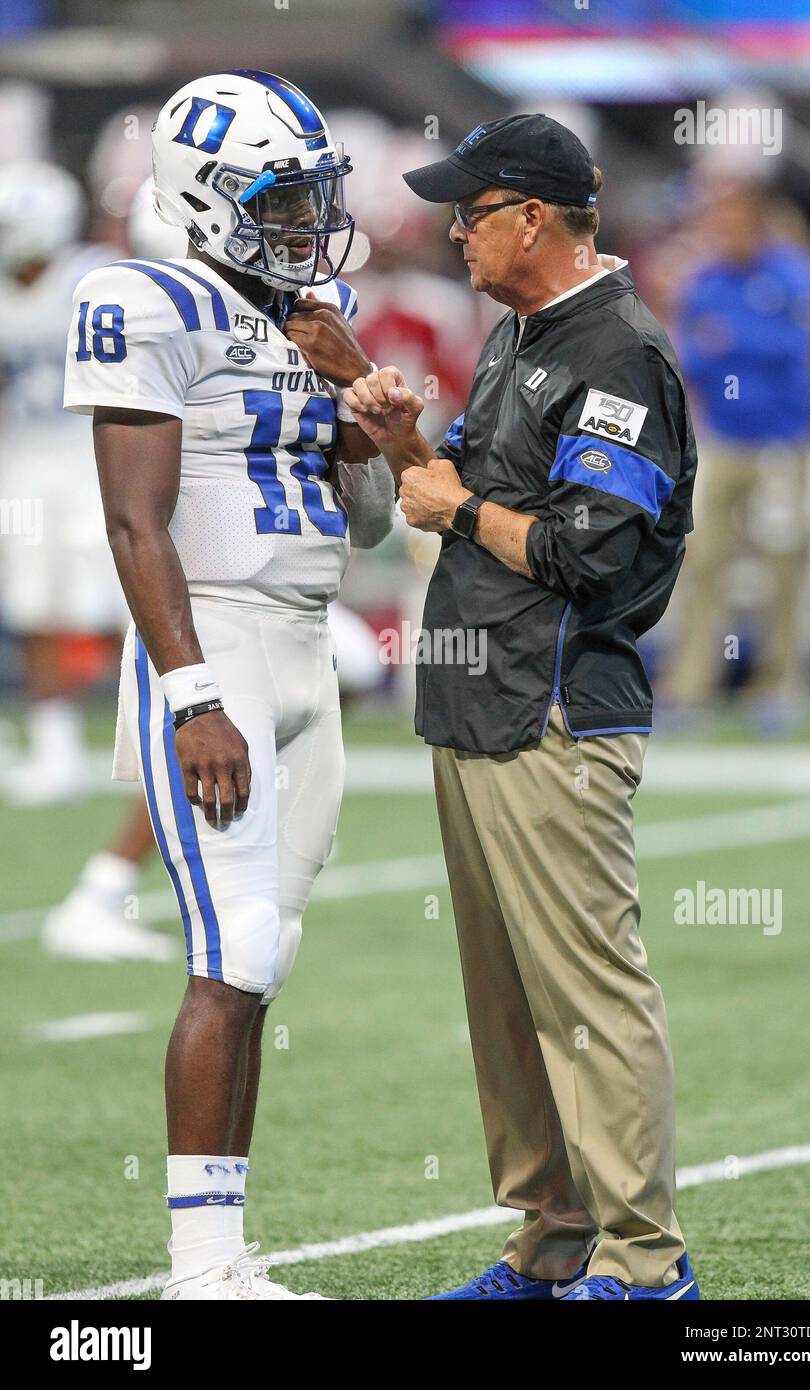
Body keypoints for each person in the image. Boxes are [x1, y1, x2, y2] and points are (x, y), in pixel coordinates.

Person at [344, 114, 700, 1301]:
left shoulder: (615, 351)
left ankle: (645, 1269)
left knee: (587, 997)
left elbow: (592, 554)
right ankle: (553, 1247)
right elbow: (478, 496)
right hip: (477, 703)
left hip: (553, 711)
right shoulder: (523, 336)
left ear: (530, 218)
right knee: (507, 1010)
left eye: (471, 212)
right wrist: (406, 446)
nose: (454, 233)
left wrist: (444, 506)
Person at [63, 70, 394, 1301]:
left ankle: (222, 1251)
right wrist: (191, 693)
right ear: (205, 198)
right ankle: (201, 1263)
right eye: (282, 194)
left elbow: (367, 523)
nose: (309, 217)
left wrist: (358, 390)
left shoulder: (318, 309)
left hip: (307, 639)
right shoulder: (141, 298)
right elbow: (133, 523)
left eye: (316, 192)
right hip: (217, 642)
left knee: (268, 953)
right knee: (234, 945)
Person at [659, 181, 810, 727]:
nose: (721, 231)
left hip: (782, 443)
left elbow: (795, 348)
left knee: (784, 562)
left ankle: (780, 687)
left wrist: (731, 338)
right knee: (704, 559)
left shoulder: (793, 273)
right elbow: (693, 360)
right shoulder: (706, 280)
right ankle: (692, 684)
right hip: (725, 442)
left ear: (756, 220)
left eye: (730, 220)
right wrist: (741, 343)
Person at [0, 161, 127, 803]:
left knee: (107, 604)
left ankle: (167, 709)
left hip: (89, 455)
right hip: (24, 459)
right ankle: (54, 747)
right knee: (34, 610)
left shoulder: (94, 276)